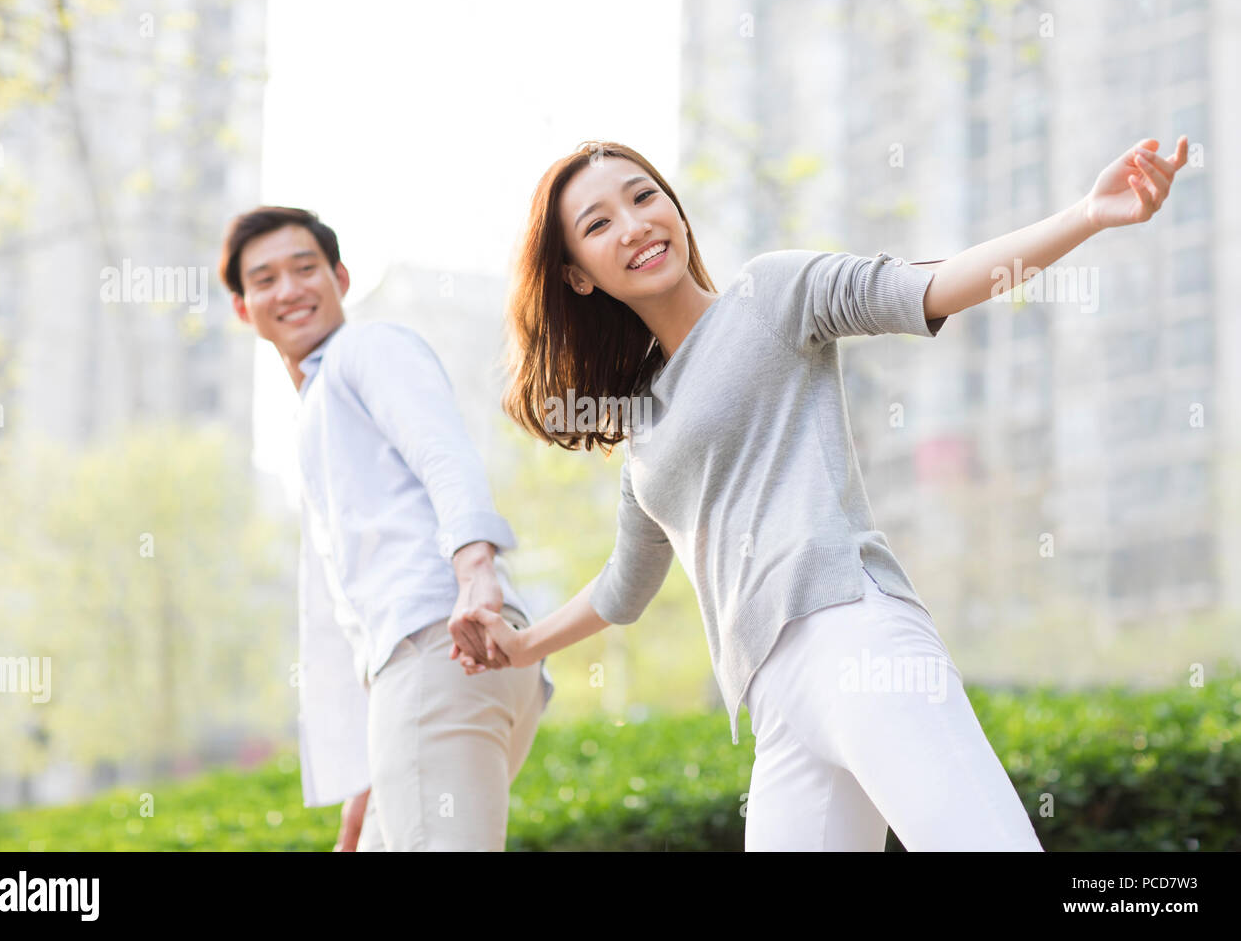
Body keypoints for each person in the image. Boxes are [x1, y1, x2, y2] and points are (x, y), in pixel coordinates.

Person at [455, 136, 1188, 850]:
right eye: (599, 223)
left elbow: (932, 284)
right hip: (775, 705)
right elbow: (624, 585)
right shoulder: (642, 428)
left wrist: (1088, 214)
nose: (635, 223)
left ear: (676, 211)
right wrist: (521, 647)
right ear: (578, 274)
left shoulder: (771, 294)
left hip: (851, 627)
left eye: (645, 196)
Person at [220, 206, 553, 851]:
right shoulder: (319, 405)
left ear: (340, 277)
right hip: (431, 670)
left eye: (304, 268)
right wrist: (369, 779)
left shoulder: (366, 349)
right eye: (264, 280)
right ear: (242, 308)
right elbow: (350, 612)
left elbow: (444, 452)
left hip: (446, 641)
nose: (288, 289)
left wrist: (476, 568)